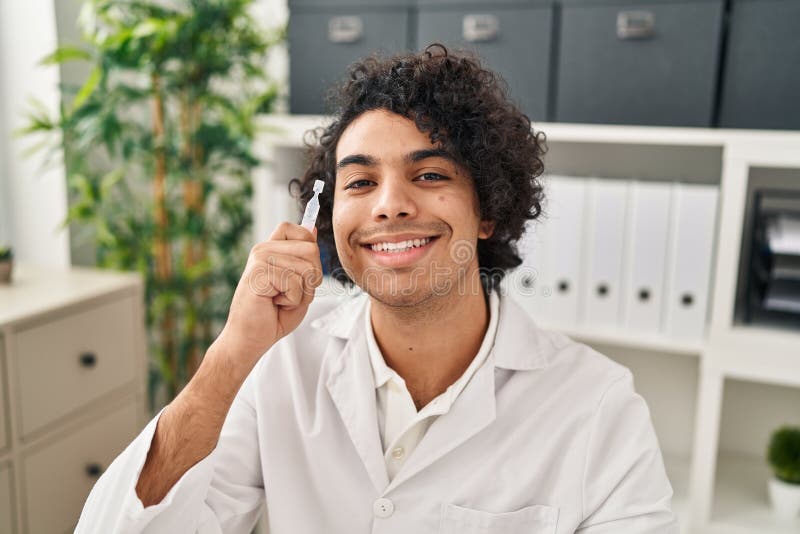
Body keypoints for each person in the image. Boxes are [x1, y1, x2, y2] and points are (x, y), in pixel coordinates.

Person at [76, 44, 678, 533]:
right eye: (360, 182)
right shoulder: (279, 367)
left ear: (488, 210)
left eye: (431, 174)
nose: (389, 206)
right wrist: (231, 355)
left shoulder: (597, 405)